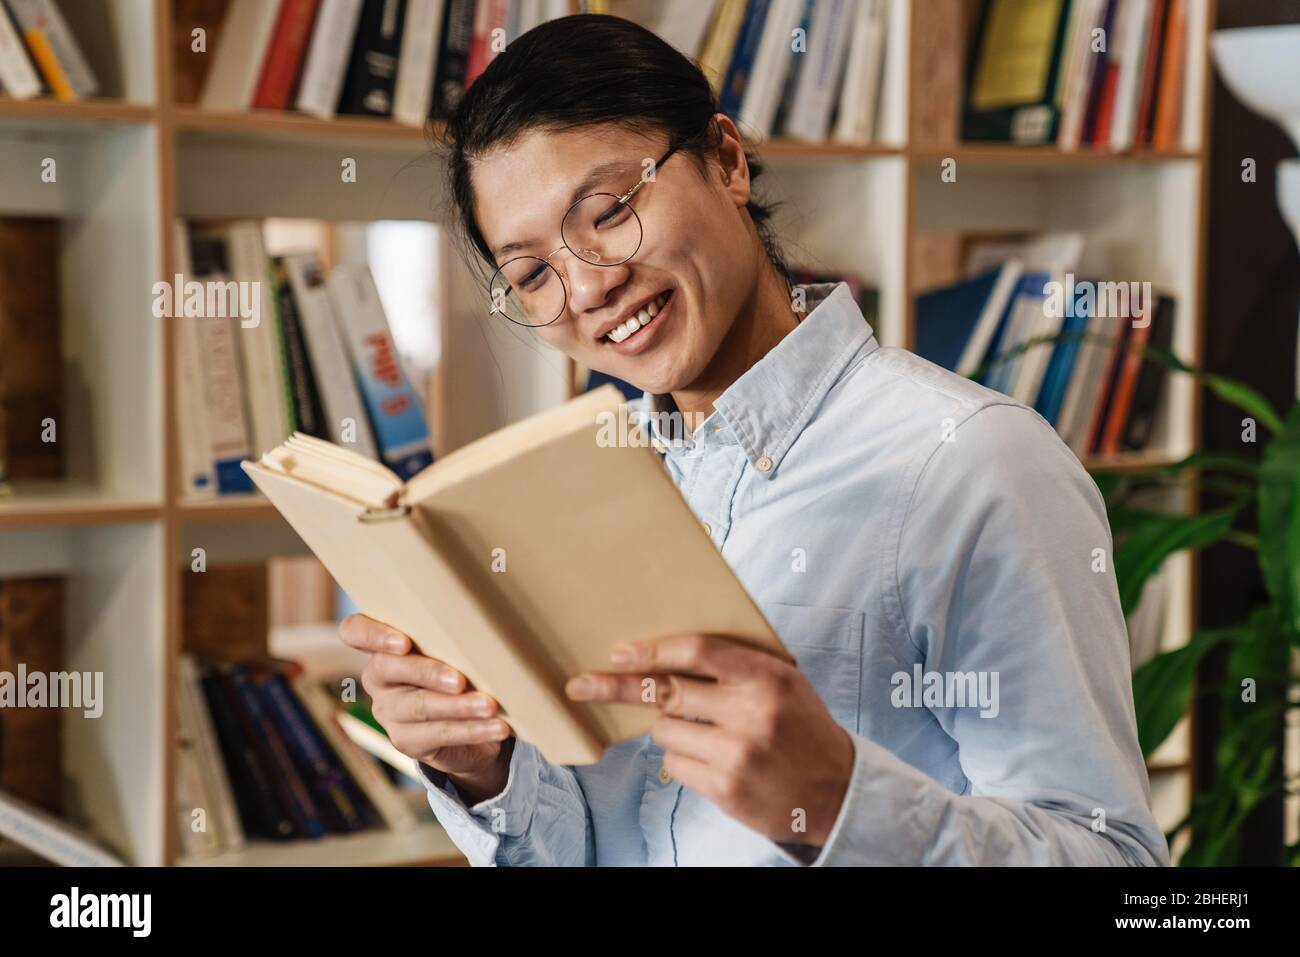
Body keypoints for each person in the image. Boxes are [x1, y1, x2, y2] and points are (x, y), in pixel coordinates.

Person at [339, 15, 1168, 866]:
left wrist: (837, 803)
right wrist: (485, 769)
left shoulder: (972, 463)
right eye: (533, 274)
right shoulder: (582, 488)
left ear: (727, 160)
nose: (589, 286)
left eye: (609, 210)